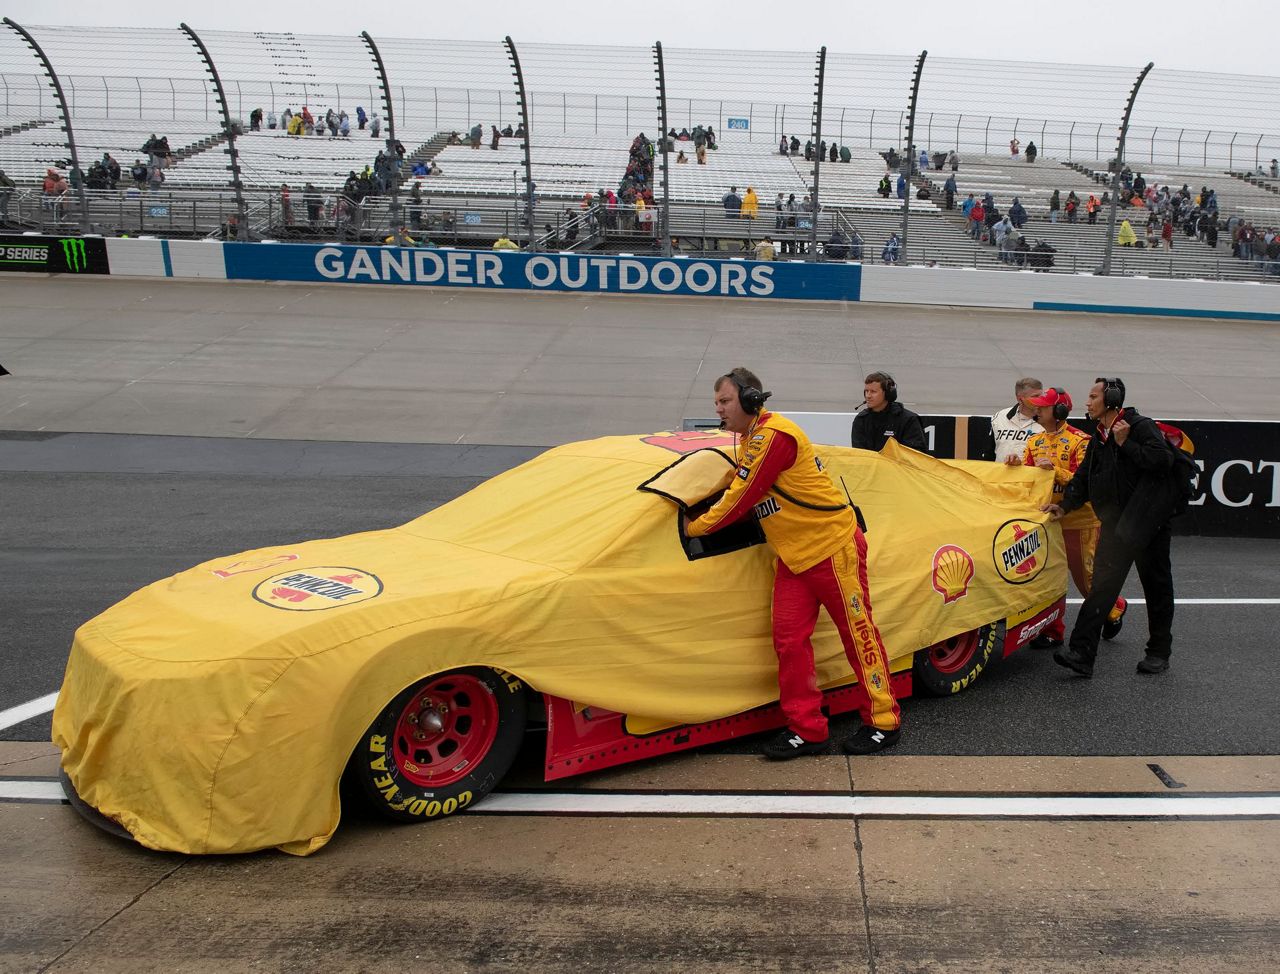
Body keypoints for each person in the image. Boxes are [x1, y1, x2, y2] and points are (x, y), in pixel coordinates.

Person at [684, 369, 902, 758]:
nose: (717, 409)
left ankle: (883, 721)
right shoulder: (751, 438)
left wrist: (693, 526)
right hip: (795, 556)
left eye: (724, 401)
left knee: (858, 634)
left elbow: (740, 497)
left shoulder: (773, 437)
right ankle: (807, 729)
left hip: (832, 547)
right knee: (788, 642)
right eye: (716, 402)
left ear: (751, 399)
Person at [1044, 378, 1181, 677]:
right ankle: (1081, 654)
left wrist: (1126, 444)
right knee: (1102, 589)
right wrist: (1065, 505)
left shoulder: (1138, 426)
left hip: (1148, 523)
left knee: (1156, 587)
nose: (1087, 402)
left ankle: (1159, 652)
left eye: (1093, 396)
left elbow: (1163, 461)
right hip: (1116, 524)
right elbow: (1083, 477)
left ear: (1112, 399)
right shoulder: (1100, 436)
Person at [1015, 387, 1127, 648]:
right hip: (1047, 522)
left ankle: (1116, 607)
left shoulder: (1081, 441)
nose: (1037, 410)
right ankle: (1052, 631)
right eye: (1037, 406)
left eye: (1043, 406)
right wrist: (1014, 466)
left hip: (1081, 522)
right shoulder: (1034, 442)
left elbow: (1085, 482)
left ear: (1060, 411)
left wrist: (1054, 471)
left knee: (1087, 580)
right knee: (1047, 578)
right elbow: (1027, 480)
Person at [851, 372, 926, 452]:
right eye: (866, 391)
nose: (868, 396)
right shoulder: (861, 420)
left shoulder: (908, 420)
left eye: (873, 391)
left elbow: (915, 454)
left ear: (888, 393)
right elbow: (859, 455)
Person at [990, 377, 1044, 462]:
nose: (1041, 400)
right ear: (1020, 399)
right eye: (1035, 396)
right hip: (1001, 474)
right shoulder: (1000, 416)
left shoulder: (1048, 421)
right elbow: (989, 453)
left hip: (1030, 475)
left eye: (1041, 396)